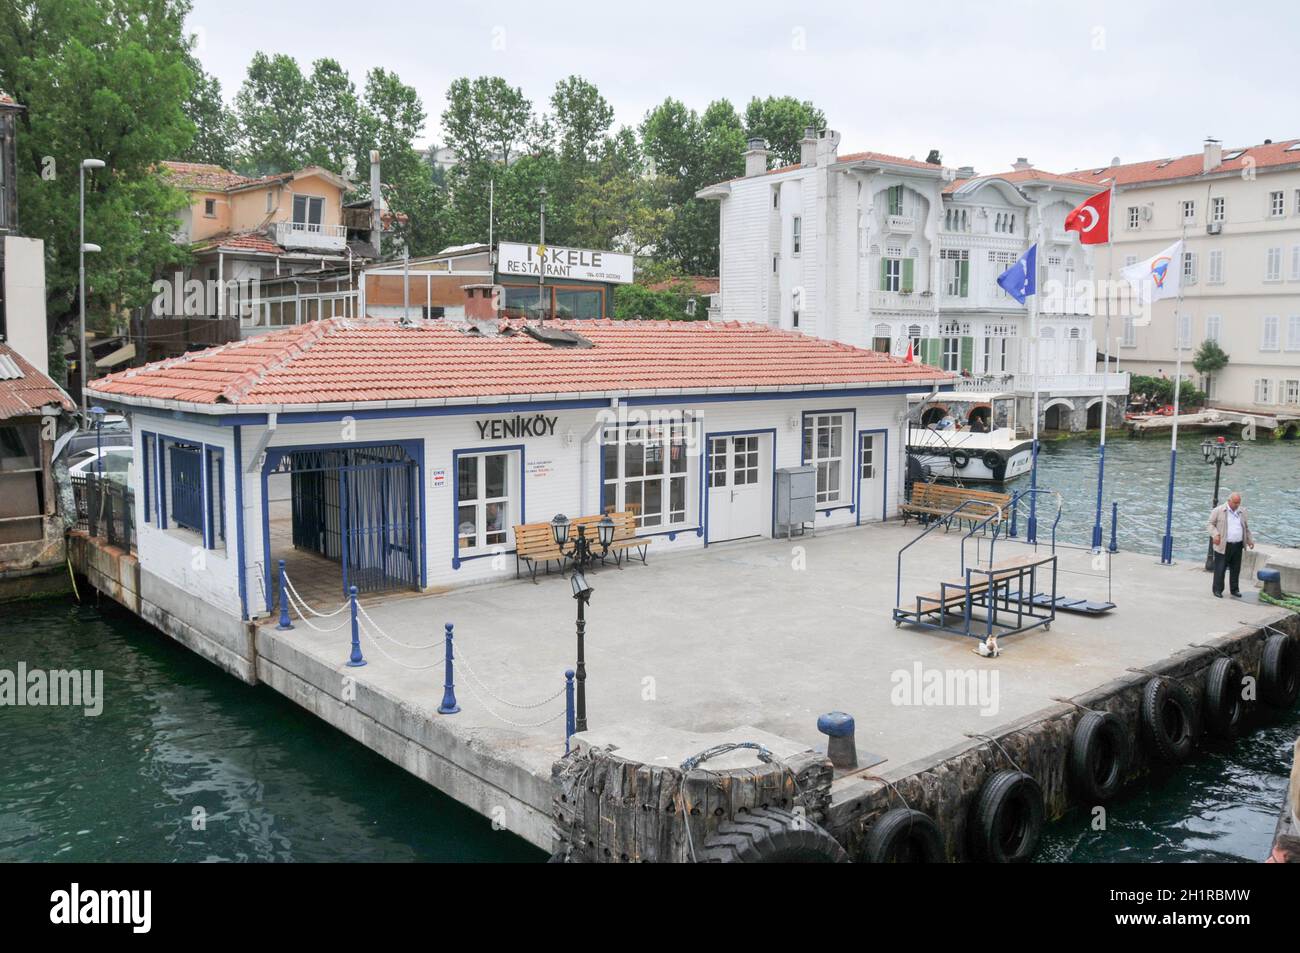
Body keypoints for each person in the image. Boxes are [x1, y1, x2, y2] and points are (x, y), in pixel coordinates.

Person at [1206, 492, 1254, 598]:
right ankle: (1217, 590)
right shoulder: (1219, 510)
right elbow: (1210, 524)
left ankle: (1234, 589)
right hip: (1223, 545)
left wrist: (1249, 540)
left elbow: (1246, 528)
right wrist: (1215, 534)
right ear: (1229, 501)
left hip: (1237, 544)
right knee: (1220, 568)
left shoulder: (1242, 511)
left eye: (1239, 502)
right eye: (1235, 502)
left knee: (1235, 568)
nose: (1237, 505)